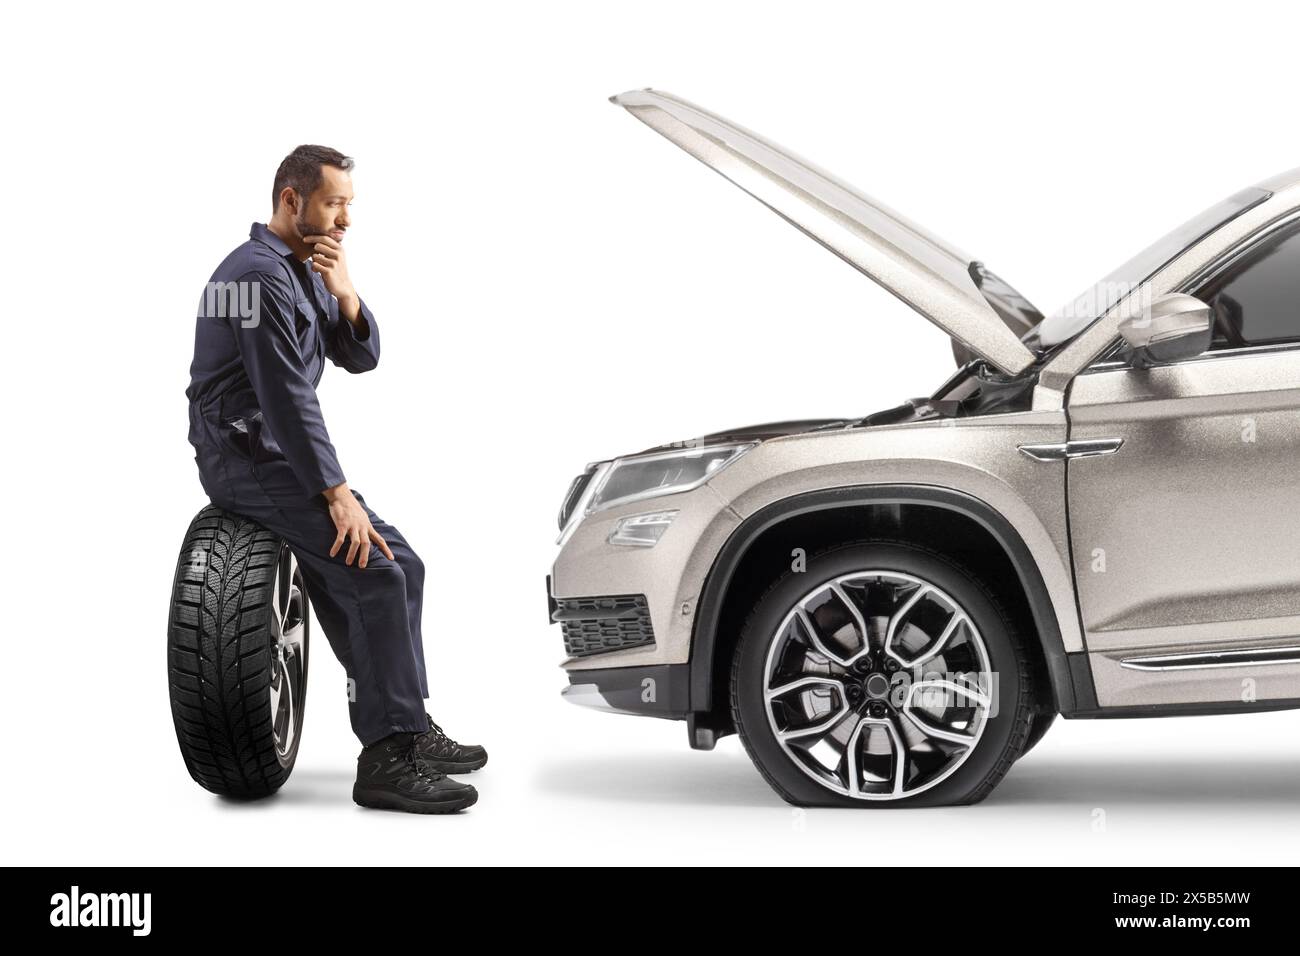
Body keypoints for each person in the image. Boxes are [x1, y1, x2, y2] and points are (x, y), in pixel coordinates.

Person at [186, 145, 486, 814]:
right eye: (333, 203)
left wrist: (347, 293)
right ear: (291, 201)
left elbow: (358, 356)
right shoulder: (253, 277)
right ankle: (386, 757)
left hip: (278, 454)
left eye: (349, 204)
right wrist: (336, 492)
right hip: (244, 457)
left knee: (404, 562)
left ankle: (408, 723)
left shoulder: (306, 268)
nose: (346, 218)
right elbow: (286, 395)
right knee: (375, 571)